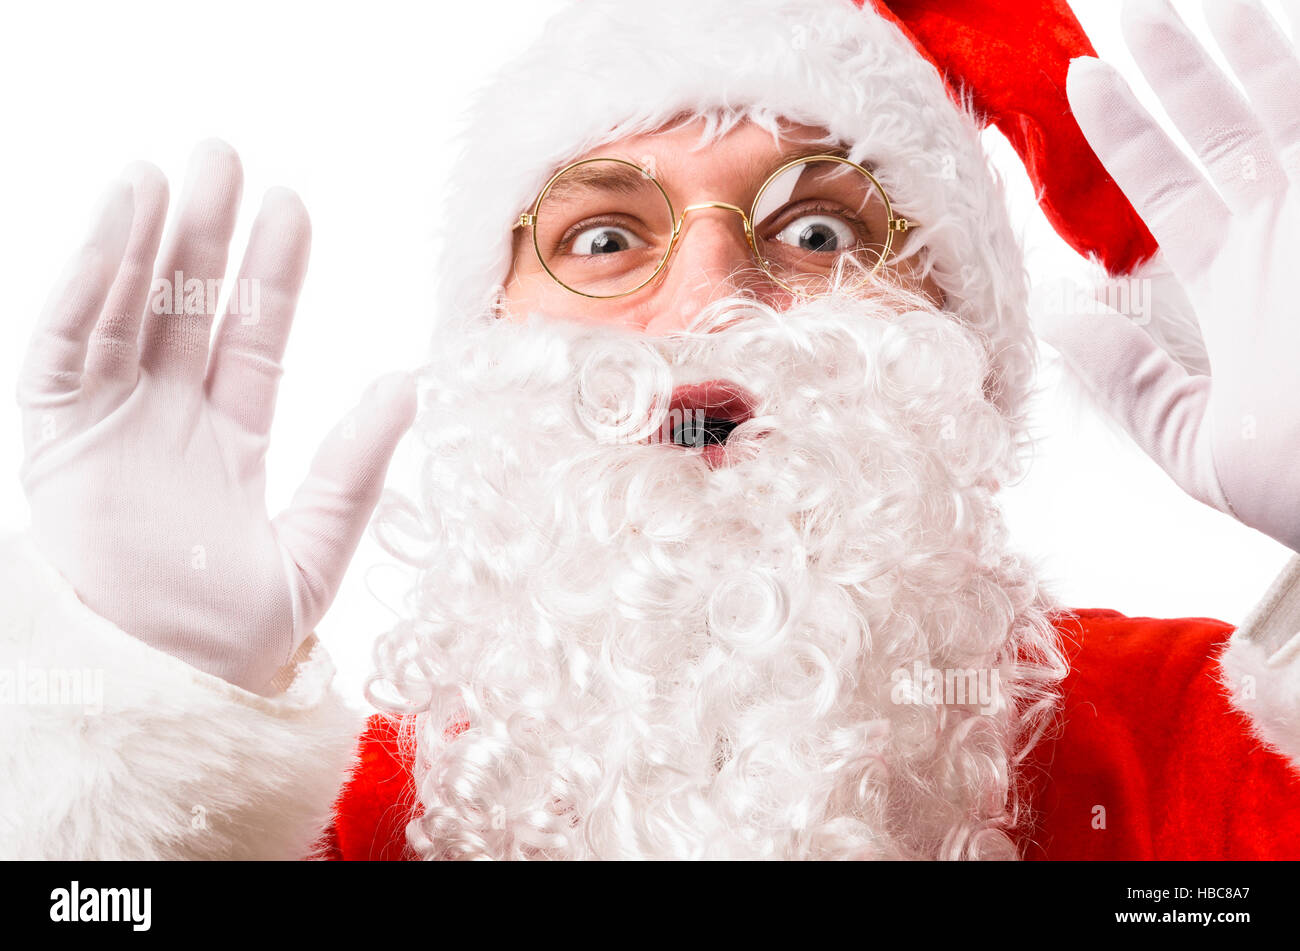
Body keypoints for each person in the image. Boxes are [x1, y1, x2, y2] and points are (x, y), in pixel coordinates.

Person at [3, 0, 1300, 861]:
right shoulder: (338, 819)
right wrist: (146, 747)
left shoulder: (1200, 738)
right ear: (494, 339)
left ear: (965, 344)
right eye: (607, 238)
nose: (713, 299)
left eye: (817, 231)